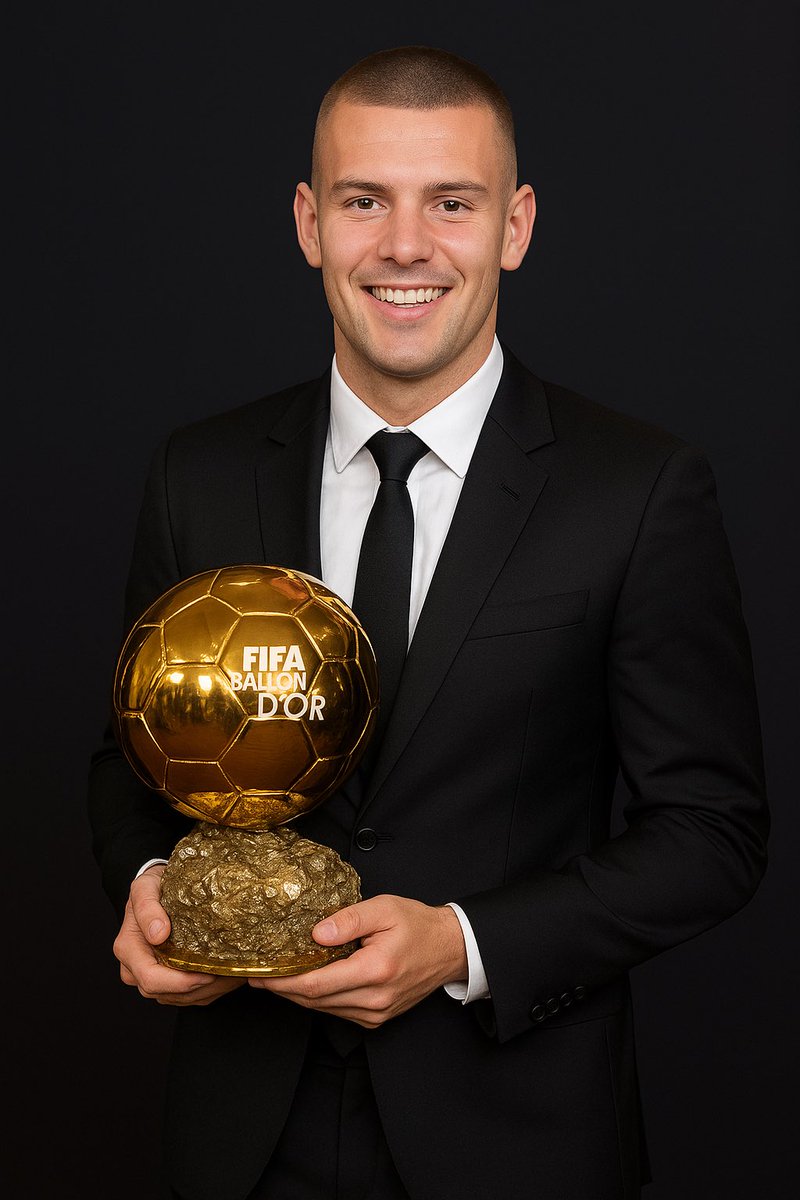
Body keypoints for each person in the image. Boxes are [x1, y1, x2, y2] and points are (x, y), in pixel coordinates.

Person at [88, 44, 768, 1200]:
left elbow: (710, 830)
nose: (404, 245)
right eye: (364, 201)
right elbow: (128, 761)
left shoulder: (636, 490)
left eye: (450, 202)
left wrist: (462, 943)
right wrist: (151, 885)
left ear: (515, 226)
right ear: (309, 223)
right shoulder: (195, 475)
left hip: (517, 1141)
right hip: (243, 1138)